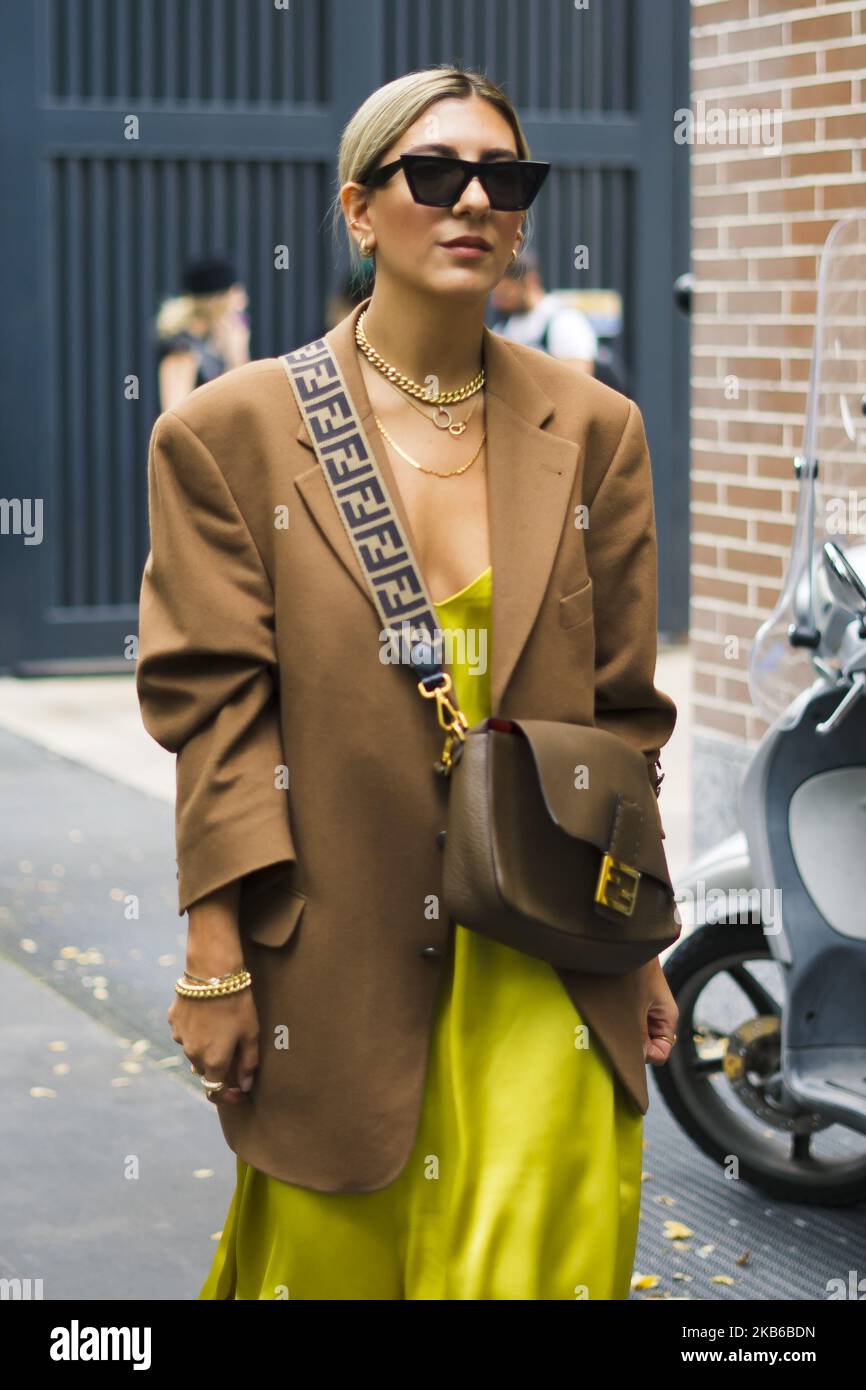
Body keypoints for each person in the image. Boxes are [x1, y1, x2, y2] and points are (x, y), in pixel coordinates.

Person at [135, 64, 678, 1301]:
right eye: (434, 173)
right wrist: (215, 959)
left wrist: (640, 939)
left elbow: (622, 721)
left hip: (547, 951)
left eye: (505, 177)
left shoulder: (596, 429)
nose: (472, 200)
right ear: (358, 208)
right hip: (331, 957)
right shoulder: (232, 433)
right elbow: (219, 721)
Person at [154, 256, 250, 411]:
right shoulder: (182, 349)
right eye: (236, 294)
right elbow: (174, 417)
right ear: (216, 301)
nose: (243, 302)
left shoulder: (216, 343)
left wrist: (236, 353)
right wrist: (236, 356)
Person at [489, 248, 597, 373]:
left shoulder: (565, 322)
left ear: (531, 282)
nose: (497, 301)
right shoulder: (505, 327)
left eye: (505, 291)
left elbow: (580, 381)